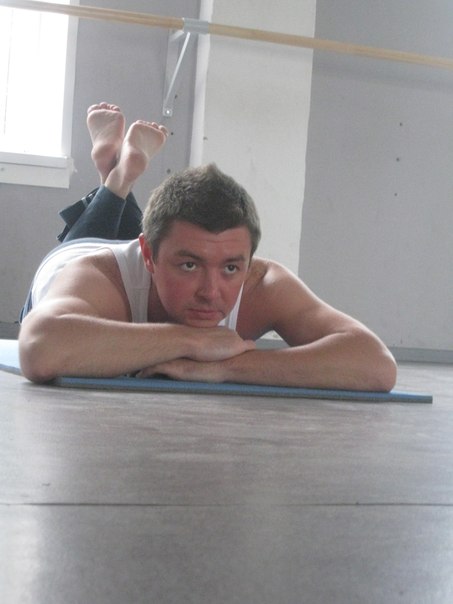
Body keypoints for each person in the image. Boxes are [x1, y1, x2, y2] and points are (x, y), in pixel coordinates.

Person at [18, 102, 397, 391]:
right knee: (101, 232)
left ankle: (117, 171)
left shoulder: (262, 282)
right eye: (190, 266)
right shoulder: (97, 275)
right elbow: (40, 346)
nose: (210, 291)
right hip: (78, 251)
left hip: (152, 249)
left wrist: (226, 367)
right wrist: (194, 340)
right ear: (147, 256)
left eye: (231, 267)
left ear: (249, 261)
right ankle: (115, 178)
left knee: (158, 228)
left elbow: (375, 364)